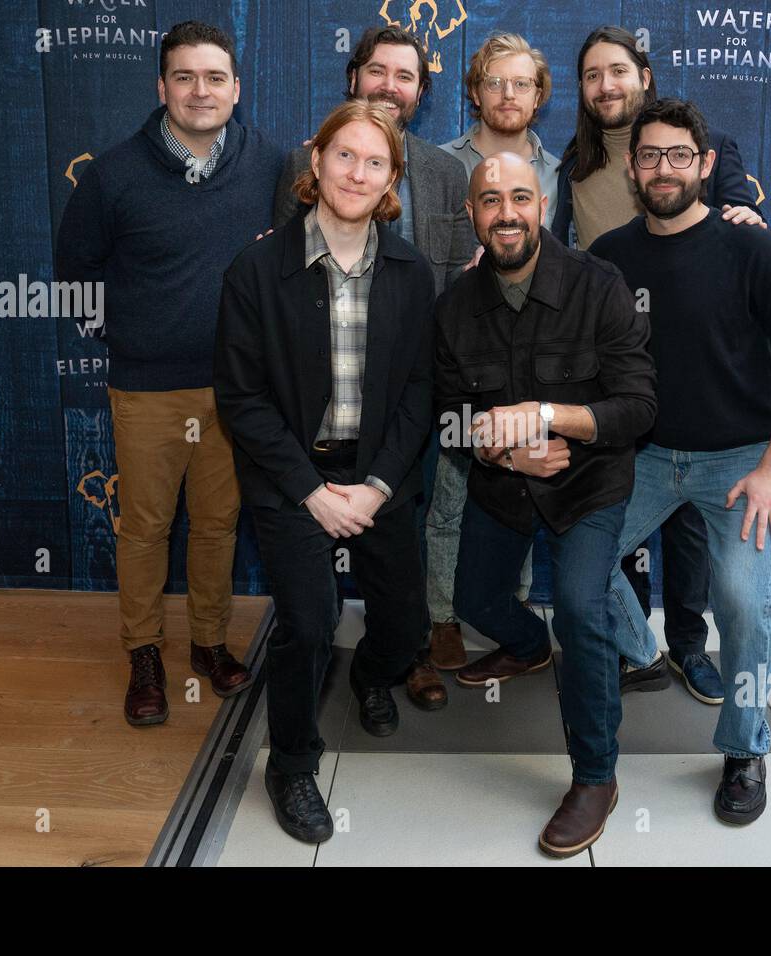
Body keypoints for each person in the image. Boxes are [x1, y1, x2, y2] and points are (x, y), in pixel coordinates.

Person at [590, 99, 771, 825]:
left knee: (742, 603)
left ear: (703, 165)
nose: (662, 169)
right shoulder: (610, 255)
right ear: (632, 169)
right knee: (580, 562)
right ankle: (643, 651)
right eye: (648, 156)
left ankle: (744, 748)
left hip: (737, 462)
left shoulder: (749, 247)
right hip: (641, 455)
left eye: (678, 155)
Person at [215, 101, 435, 844]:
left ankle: (372, 676)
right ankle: (292, 765)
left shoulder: (410, 270)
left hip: (380, 474)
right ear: (316, 162)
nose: (358, 172)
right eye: (345, 155)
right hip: (289, 476)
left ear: (392, 178)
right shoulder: (258, 267)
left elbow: (418, 393)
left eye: (376, 162)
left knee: (407, 628)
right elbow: (241, 399)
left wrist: (373, 488)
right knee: (307, 622)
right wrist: (311, 491)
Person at [56, 21, 282, 726]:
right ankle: (144, 653)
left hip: (237, 389)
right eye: (184, 77)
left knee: (218, 526)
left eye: (214, 77)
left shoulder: (272, 166)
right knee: (146, 529)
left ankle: (209, 644)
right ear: (161, 87)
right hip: (148, 387)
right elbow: (74, 273)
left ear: (236, 89)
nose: (200, 91)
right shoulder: (114, 174)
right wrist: (124, 336)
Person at [435, 152, 656, 858]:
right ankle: (525, 648)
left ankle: (596, 776)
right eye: (490, 198)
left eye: (521, 196)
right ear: (471, 214)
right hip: (502, 484)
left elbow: (638, 408)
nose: (506, 212)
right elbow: (445, 416)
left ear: (544, 205)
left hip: (586, 486)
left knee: (582, 612)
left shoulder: (600, 286)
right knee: (473, 597)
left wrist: (546, 415)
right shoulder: (453, 307)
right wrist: (503, 448)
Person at [552, 24, 769, 701]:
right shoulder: (575, 164)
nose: (606, 85)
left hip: (694, 359)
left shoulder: (699, 146)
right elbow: (563, 249)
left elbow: (739, 206)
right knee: (621, 506)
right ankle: (631, 646)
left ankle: (688, 648)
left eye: (618, 70)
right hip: (617, 362)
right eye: (592, 75)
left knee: (692, 526)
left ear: (644, 75)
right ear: (583, 90)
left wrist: (742, 210)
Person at [272, 25, 474, 710]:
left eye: (406, 76)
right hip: (324, 399)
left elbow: (458, 284)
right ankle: (319, 655)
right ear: (354, 77)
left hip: (413, 397)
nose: (391, 85)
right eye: (378, 71)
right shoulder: (308, 160)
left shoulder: (446, 172)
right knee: (311, 580)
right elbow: (281, 288)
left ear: (421, 90)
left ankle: (402, 657)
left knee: (405, 539)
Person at [425, 32, 561, 674]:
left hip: (538, 361)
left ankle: (514, 616)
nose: (508, 94)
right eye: (495, 82)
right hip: (464, 354)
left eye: (523, 83)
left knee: (530, 482)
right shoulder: (440, 162)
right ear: (474, 91)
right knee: (452, 491)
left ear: (539, 97)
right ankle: (444, 618)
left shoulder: (563, 171)